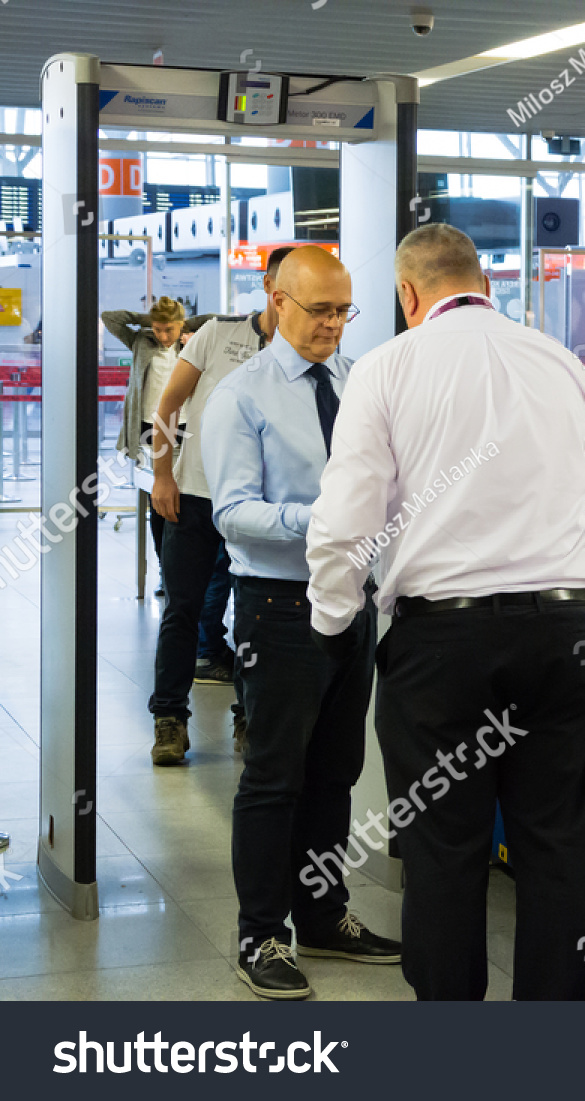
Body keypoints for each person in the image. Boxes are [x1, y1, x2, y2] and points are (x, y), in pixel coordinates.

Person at [305, 223, 585, 1001]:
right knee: (556, 848)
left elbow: (343, 525)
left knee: (443, 851)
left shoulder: (387, 368)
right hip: (564, 631)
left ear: (408, 293)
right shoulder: (557, 359)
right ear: (484, 282)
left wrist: (332, 625)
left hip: (444, 645)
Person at [201, 246, 398, 1000]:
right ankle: (261, 934)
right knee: (274, 775)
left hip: (353, 602)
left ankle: (321, 914)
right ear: (276, 300)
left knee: (335, 771)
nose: (333, 325)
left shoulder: (358, 381)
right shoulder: (241, 395)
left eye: (344, 310)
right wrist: (323, 520)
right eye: (320, 310)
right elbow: (231, 512)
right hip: (280, 606)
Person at [146, 248, 292, 765]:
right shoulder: (217, 333)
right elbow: (169, 405)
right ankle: (169, 718)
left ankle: (248, 717)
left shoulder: (304, 350)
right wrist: (163, 476)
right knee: (181, 609)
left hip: (258, 507)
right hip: (195, 495)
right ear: (268, 285)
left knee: (255, 615)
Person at [102, 297, 214, 575]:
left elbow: (218, 321)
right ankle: (166, 566)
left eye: (169, 330)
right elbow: (109, 317)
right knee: (161, 498)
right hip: (150, 428)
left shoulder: (193, 342)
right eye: (158, 329)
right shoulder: (141, 341)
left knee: (185, 499)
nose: (163, 336)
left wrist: (184, 326)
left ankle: (181, 567)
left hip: (184, 427)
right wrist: (150, 321)